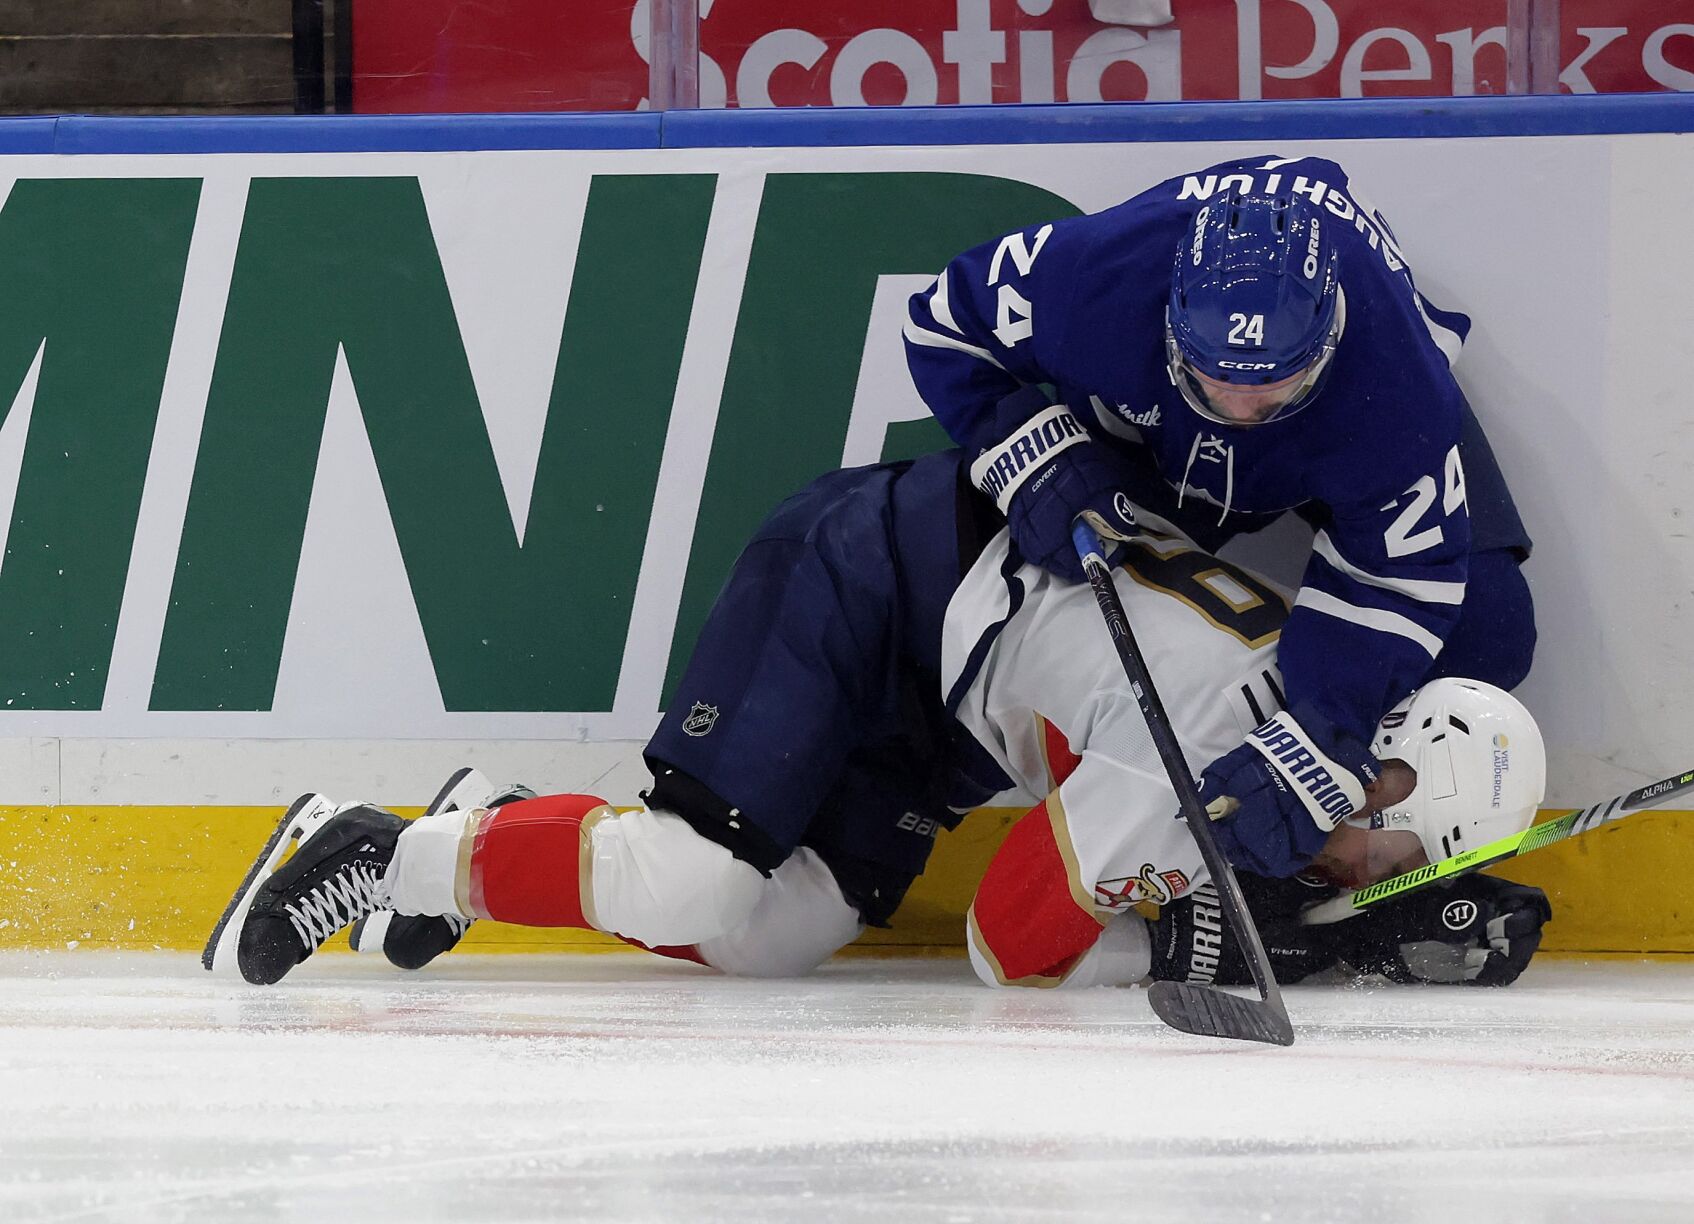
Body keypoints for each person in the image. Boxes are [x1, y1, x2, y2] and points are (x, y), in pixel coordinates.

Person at [203, 451, 1551, 992]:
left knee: (775, 934)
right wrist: (1252, 942)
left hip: (948, 706)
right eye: (1403, 857)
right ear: (1378, 785)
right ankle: (388, 850)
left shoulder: (1305, 720)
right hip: (872, 581)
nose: (1390, 876)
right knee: (691, 874)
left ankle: (490, 824)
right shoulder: (1206, 739)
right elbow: (1010, 948)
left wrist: (1306, 919)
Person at [904, 154, 1536, 880]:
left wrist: (1323, 733)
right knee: (1111, 603)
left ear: (1326, 340)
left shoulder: (1397, 388)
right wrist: (1028, 447)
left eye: (1269, 385)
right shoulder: (1101, 275)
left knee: (1489, 630)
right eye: (1218, 378)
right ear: (1169, 319)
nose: (1239, 408)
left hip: (1338, 423)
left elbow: (1399, 581)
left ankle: (1357, 848)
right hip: (1154, 425)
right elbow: (946, 321)